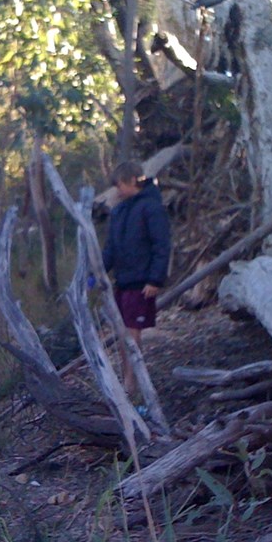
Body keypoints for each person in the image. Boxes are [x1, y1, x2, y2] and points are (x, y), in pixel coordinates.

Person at [101, 160, 172, 395]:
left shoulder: (152, 207)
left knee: (132, 333)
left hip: (141, 283)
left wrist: (155, 279)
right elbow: (111, 247)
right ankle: (126, 379)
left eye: (120, 184)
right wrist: (98, 271)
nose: (117, 190)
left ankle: (132, 385)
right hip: (122, 282)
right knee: (122, 334)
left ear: (133, 181)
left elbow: (161, 245)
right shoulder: (120, 211)